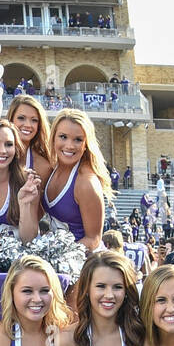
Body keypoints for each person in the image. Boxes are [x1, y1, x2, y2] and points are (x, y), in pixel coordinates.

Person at [41, 108, 111, 253]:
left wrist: (60, 257)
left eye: (78, 140)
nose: (69, 145)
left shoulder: (86, 182)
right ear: (53, 137)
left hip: (83, 264)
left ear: (86, 145)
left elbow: (93, 240)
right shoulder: (50, 168)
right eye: (63, 137)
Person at [5, 94, 52, 182]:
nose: (27, 125)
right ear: (11, 119)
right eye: (21, 118)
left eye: (34, 120)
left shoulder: (43, 167)